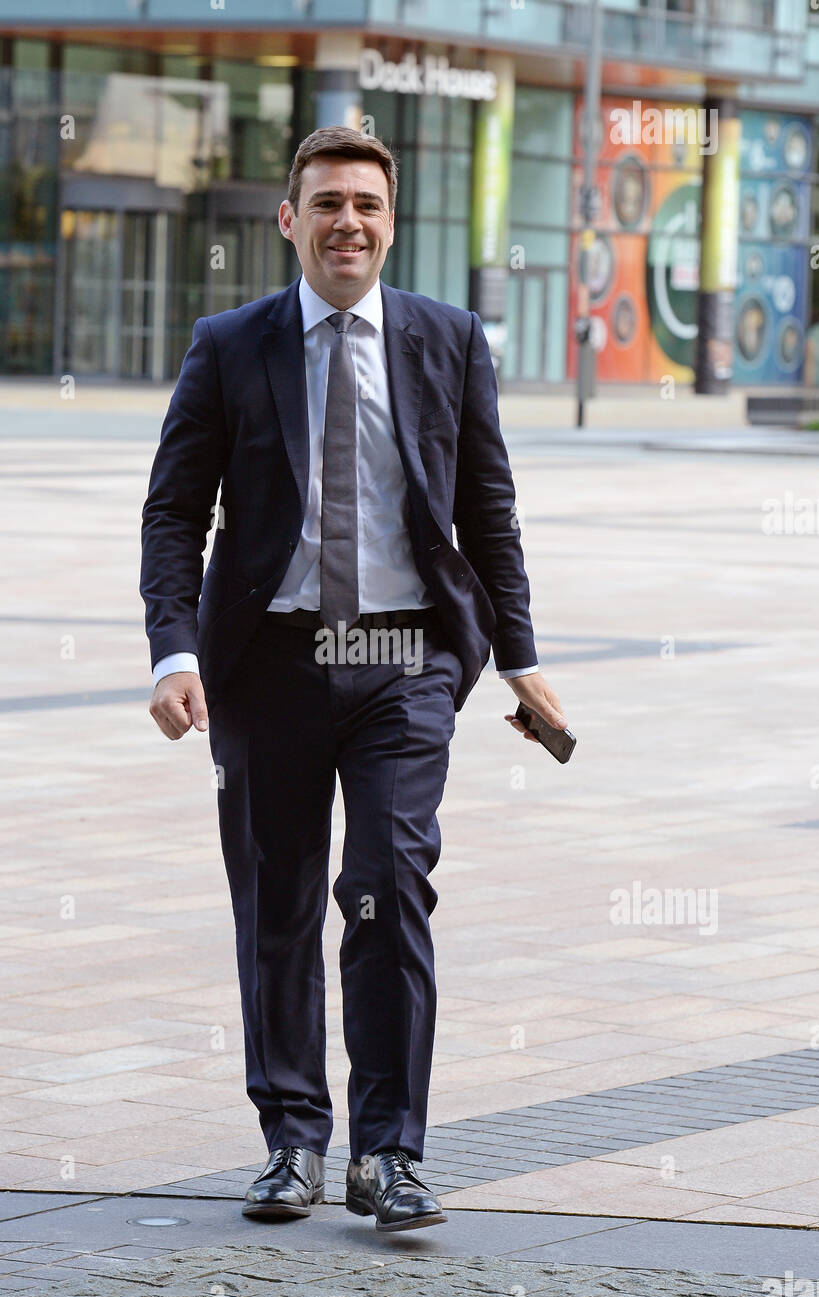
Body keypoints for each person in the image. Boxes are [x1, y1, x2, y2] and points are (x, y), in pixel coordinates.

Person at [140, 126, 567, 1233]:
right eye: (325, 203)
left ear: (391, 221)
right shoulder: (231, 344)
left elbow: (489, 508)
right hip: (268, 666)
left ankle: (389, 1153)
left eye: (367, 206)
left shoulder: (448, 340)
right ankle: (291, 1142)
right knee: (276, 908)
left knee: (386, 887)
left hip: (401, 661)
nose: (347, 223)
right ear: (289, 220)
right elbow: (175, 511)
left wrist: (518, 660)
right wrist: (174, 653)